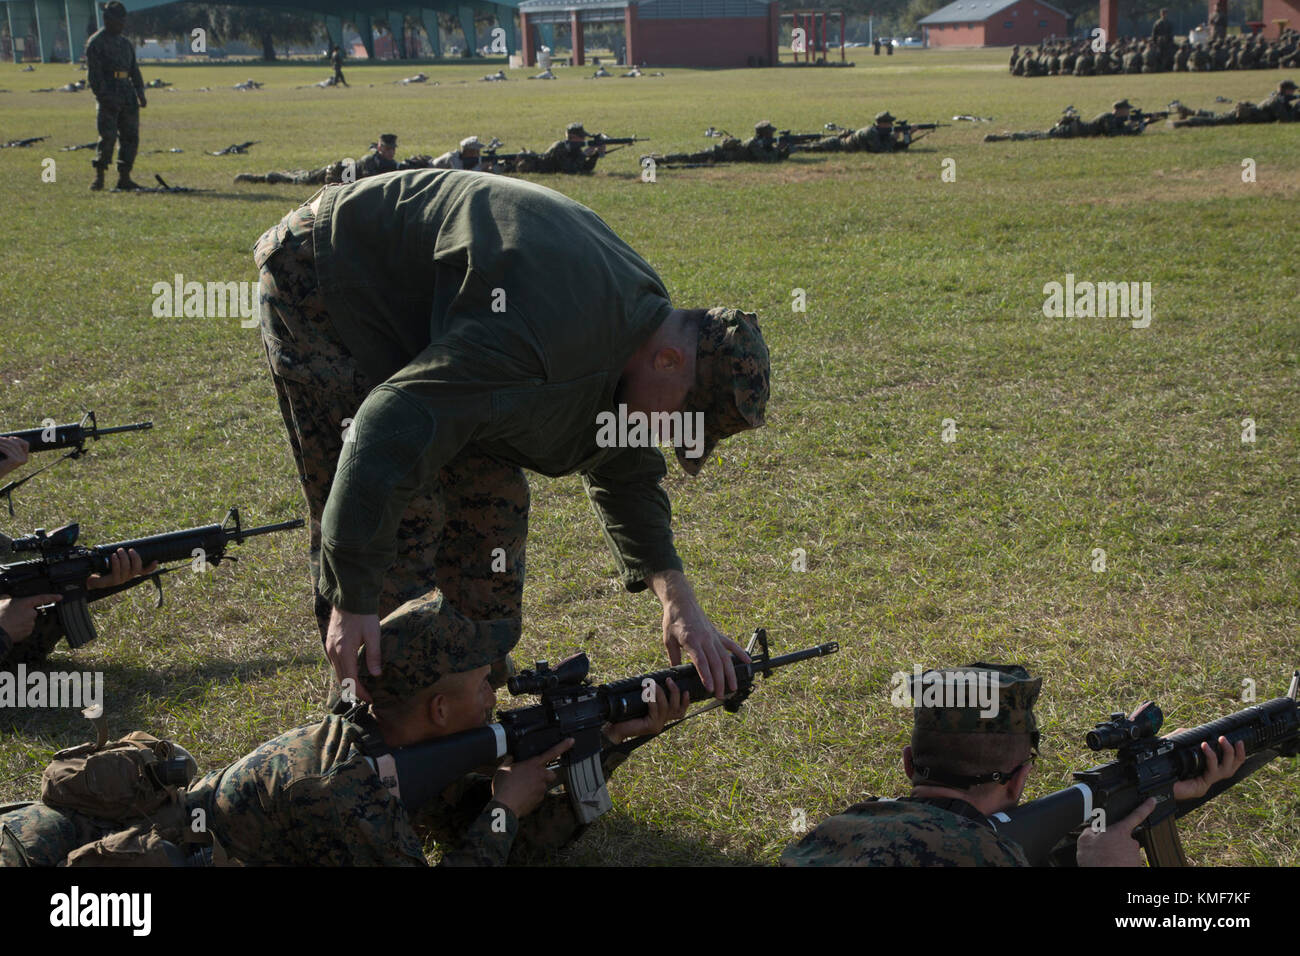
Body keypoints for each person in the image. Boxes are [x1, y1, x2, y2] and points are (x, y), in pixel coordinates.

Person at [253, 169, 770, 709]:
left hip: (445, 330)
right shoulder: (544, 338)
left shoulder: (643, 328)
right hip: (327, 275)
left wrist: (677, 597)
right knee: (399, 522)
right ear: (670, 360)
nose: (670, 434)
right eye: (682, 420)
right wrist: (355, 595)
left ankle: (471, 698)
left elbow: (625, 463)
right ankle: (383, 736)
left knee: (492, 505)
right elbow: (385, 428)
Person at [0, 596, 690, 866]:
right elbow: (487, 838)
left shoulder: (381, 727)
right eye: (484, 681)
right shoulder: (342, 787)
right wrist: (505, 810)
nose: (497, 689)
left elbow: (497, 830)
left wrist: (612, 736)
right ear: (440, 713)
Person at [781, 664, 1247, 866]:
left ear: (908, 764)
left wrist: (1154, 796)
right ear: (1022, 777)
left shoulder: (833, 832)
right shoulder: (989, 857)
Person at [85, 0, 145, 191]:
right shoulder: (96, 43)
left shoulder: (125, 43)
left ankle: (125, 177)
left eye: (123, 22)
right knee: (108, 136)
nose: (122, 25)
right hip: (108, 94)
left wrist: (140, 91)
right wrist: (104, 96)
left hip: (127, 94)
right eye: (119, 22)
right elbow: (94, 75)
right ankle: (99, 177)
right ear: (107, 20)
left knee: (130, 137)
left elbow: (134, 69)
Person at [984, 100, 1144, 142]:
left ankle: (1010, 135)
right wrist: (1132, 130)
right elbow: (1112, 135)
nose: (1128, 112)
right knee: (1039, 136)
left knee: (1040, 134)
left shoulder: (1111, 118)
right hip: (1071, 131)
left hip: (1073, 129)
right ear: (1120, 110)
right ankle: (1000, 137)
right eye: (1126, 110)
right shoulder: (1108, 117)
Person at [1172, 79, 1297, 125]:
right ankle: (1184, 122)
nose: (1293, 93)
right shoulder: (1276, 101)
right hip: (1244, 116)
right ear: (1286, 91)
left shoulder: (1277, 98)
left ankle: (1189, 111)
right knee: (1215, 121)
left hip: (1246, 114)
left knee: (1216, 116)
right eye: (1292, 91)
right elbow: (1286, 120)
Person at [805, 112, 906, 153]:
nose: (892, 125)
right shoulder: (871, 132)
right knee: (807, 147)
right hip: (835, 144)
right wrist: (893, 138)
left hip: (839, 143)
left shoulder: (878, 131)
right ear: (882, 124)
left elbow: (890, 147)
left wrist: (908, 134)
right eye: (889, 123)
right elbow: (879, 150)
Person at [538, 122, 604, 173]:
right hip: (532, 165)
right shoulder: (560, 147)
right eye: (582, 137)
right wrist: (584, 155)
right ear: (573, 137)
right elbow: (571, 170)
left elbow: (585, 168)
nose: (584, 139)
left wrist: (596, 154)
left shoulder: (574, 148)